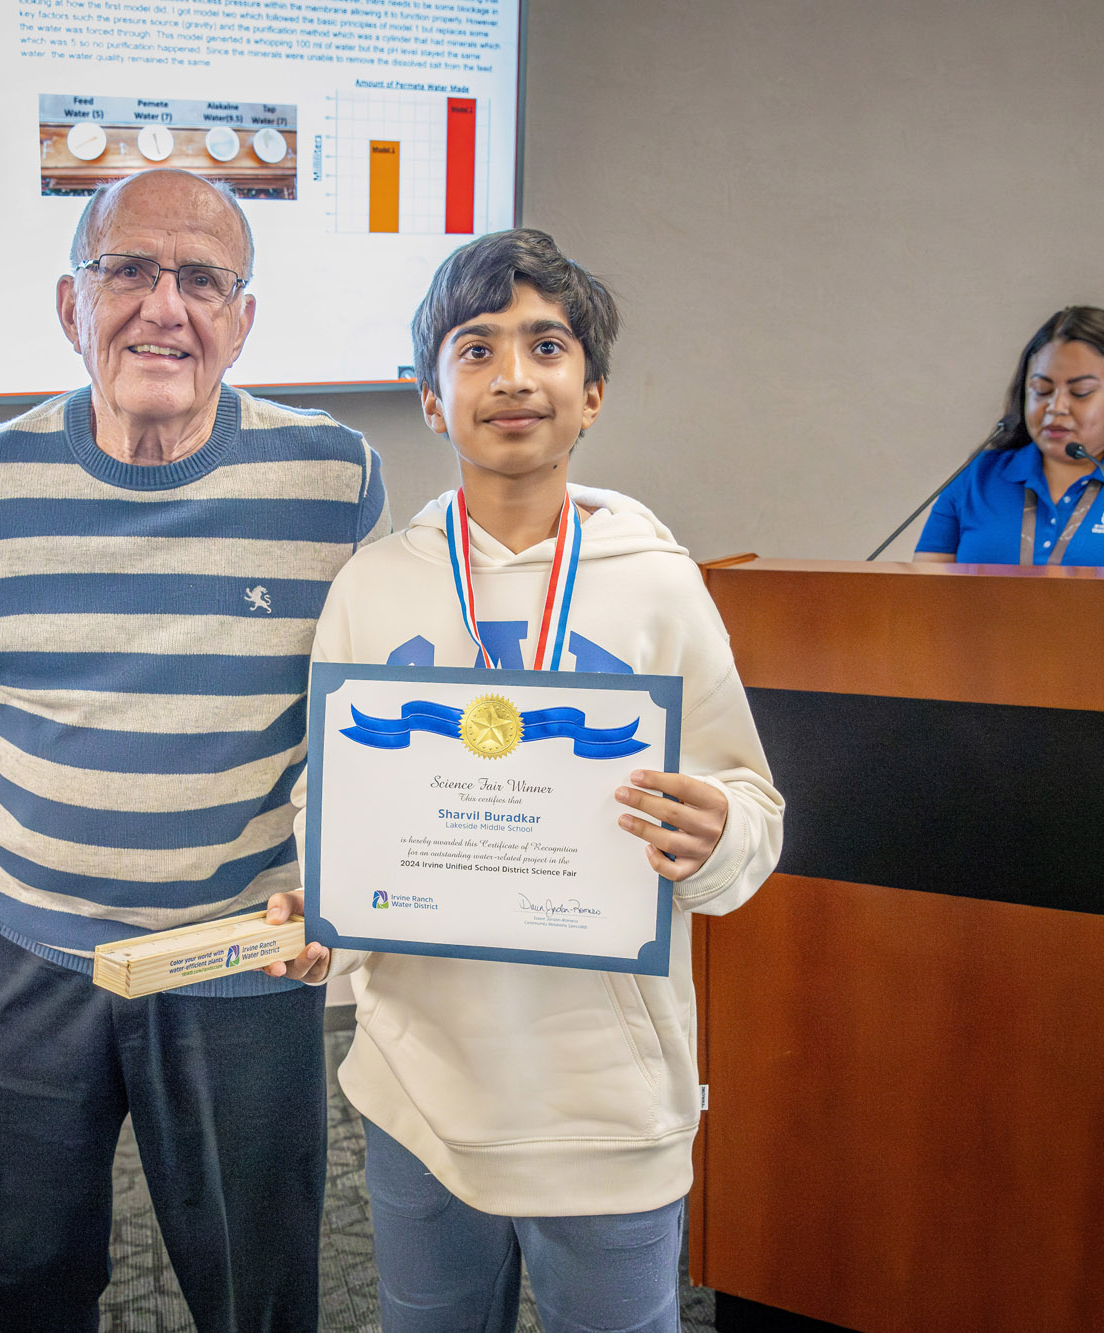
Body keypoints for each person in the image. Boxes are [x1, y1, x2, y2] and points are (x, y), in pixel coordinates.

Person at [0, 167, 388, 1331]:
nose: (164, 306)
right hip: (25, 962)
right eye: (128, 270)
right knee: (20, 1286)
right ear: (67, 304)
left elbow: (367, 727)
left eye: (202, 279)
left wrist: (339, 891)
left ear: (242, 321)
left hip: (235, 961)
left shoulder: (331, 480)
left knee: (262, 1291)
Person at [264, 229, 784, 1333]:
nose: (511, 376)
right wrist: (324, 896)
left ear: (590, 393)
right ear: (428, 397)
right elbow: (330, 793)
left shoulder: (657, 587)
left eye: (545, 346)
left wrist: (718, 836)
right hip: (417, 1085)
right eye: (475, 348)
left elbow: (751, 810)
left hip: (604, 1105)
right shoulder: (372, 584)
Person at [914, 306, 1104, 570]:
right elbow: (919, 604)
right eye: (1042, 391)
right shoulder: (977, 478)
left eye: (1081, 392)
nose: (1056, 407)